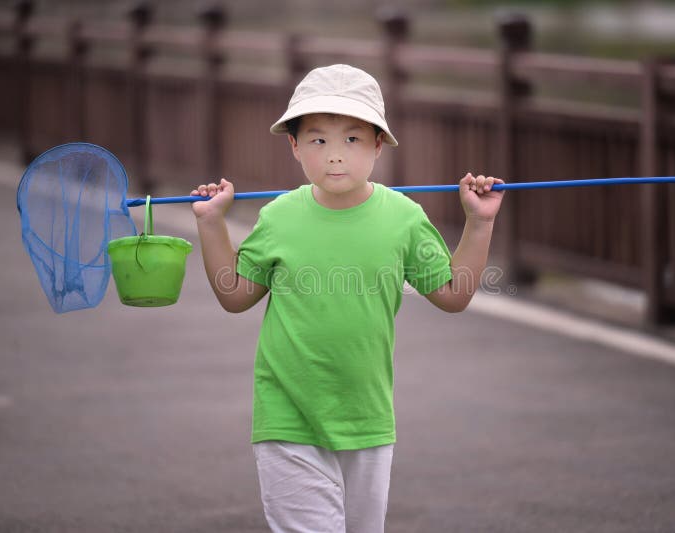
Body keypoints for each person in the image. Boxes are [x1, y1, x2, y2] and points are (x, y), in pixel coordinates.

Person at [190, 63, 504, 533]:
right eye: (318, 140)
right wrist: (211, 223)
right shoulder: (279, 217)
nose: (335, 156)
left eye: (352, 140)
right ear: (294, 146)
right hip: (287, 417)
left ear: (378, 145)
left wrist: (479, 223)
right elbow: (235, 296)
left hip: (367, 419)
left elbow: (454, 294)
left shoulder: (403, 217)